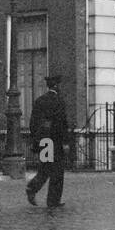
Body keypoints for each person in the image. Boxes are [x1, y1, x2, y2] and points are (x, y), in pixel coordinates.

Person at [26, 74, 69, 209]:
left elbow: (33, 123)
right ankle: (53, 201)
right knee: (57, 172)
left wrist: (36, 138)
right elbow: (62, 123)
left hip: (44, 141)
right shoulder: (59, 101)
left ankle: (32, 188)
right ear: (57, 85)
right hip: (55, 142)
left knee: (44, 169)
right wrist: (65, 142)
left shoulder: (39, 101)